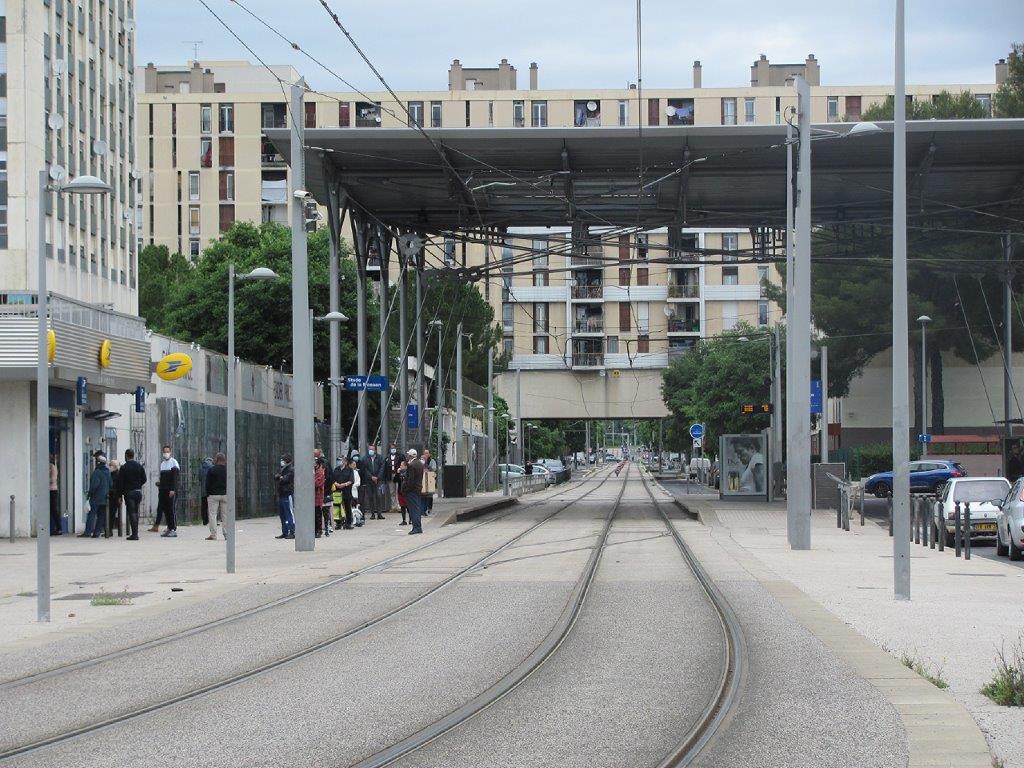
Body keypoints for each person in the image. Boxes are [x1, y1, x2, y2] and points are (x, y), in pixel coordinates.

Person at [119, 449, 147, 540]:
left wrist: (120, 495)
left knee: (132, 512)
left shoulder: (124, 467)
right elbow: (144, 479)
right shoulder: (139, 466)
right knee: (136, 511)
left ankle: (134, 534)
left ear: (126, 456)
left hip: (129, 492)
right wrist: (138, 485)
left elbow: (120, 483)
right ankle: (136, 532)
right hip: (138, 492)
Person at [82, 451, 111, 538]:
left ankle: (87, 532)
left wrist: (89, 494)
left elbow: (94, 485)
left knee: (92, 514)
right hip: (105, 497)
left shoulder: (97, 472)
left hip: (96, 497)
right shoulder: (108, 472)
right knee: (101, 516)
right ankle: (96, 532)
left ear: (98, 463)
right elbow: (110, 484)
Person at [153, 445, 180, 536]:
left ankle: (173, 529)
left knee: (171, 509)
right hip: (163, 490)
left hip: (170, 490)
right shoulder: (163, 464)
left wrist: (173, 489)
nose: (166, 453)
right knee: (165, 510)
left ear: (170, 452)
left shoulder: (174, 463)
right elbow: (163, 478)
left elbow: (175, 478)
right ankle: (169, 527)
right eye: (164, 451)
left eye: (167, 451)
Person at [401, 449, 425, 535]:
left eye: (408, 455)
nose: (407, 456)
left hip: (412, 491)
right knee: (417, 508)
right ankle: (418, 526)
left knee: (413, 509)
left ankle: (416, 527)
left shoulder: (411, 465)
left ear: (410, 456)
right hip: (418, 489)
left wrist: (406, 490)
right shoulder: (420, 464)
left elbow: (410, 480)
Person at [205, 452, 227, 540]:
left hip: (213, 495)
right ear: (224, 460)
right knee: (225, 515)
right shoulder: (227, 470)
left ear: (216, 459)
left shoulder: (211, 470)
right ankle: (227, 534)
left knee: (212, 515)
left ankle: (213, 535)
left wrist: (208, 494)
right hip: (225, 494)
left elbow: (207, 483)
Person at [362, 443, 387, 520]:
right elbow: (364, 469)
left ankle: (379, 513)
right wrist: (371, 477)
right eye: (369, 449)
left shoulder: (380, 458)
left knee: (379, 496)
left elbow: (382, 469)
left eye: (372, 449)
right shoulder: (365, 458)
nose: (371, 451)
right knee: (370, 496)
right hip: (369, 480)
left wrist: (377, 477)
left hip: (378, 480)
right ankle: (372, 513)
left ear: (375, 450)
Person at [275, 454, 295, 539]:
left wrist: (281, 477)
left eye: (283, 460)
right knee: (282, 514)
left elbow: (285, 479)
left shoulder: (290, 469)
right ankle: (285, 531)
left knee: (289, 513)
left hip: (287, 494)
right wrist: (280, 477)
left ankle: (292, 531)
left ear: (287, 460)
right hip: (282, 493)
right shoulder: (283, 469)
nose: (281, 461)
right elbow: (277, 476)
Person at [333, 456, 355, 530]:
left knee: (347, 507)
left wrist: (344, 484)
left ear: (345, 462)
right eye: (338, 460)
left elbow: (351, 480)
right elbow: (332, 479)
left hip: (347, 491)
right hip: (337, 491)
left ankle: (348, 523)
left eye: (340, 460)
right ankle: (338, 523)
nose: (339, 462)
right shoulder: (336, 470)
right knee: (337, 507)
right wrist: (337, 484)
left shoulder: (349, 470)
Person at [106, 459, 122, 537]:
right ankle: (109, 529)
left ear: (115, 466)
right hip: (115, 496)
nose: (109, 467)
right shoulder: (114, 474)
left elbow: (114, 486)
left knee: (111, 514)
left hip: (114, 497)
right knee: (111, 514)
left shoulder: (115, 475)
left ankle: (109, 530)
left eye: (110, 465)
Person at [314, 450, 327, 538]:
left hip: (317, 497)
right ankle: (315, 530)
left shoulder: (320, 473)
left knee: (318, 514)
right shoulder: (315, 472)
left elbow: (317, 483)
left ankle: (319, 530)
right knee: (314, 515)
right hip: (313, 497)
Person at [386, 444, 402, 514]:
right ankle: (393, 506)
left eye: (394, 448)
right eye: (391, 448)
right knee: (392, 491)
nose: (393, 449)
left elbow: (403, 464)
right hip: (390, 475)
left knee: (398, 490)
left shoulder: (400, 456)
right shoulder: (387, 457)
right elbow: (385, 467)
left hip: (397, 475)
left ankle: (399, 506)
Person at [421, 449, 437, 516]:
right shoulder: (421, 461)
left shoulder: (432, 461)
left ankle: (429, 509)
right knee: (423, 496)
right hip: (423, 481)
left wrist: (428, 469)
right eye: (425, 453)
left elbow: (433, 469)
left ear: (429, 454)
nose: (426, 455)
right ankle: (423, 510)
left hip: (430, 481)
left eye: (427, 453)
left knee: (429, 496)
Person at [199, 456, 214, 527]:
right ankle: (212, 521)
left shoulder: (201, 468)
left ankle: (205, 521)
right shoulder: (212, 467)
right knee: (212, 507)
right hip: (211, 490)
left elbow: (199, 478)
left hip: (203, 490)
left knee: (204, 506)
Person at [49, 455, 61, 535]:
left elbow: (53, 479)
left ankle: (59, 528)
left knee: (53, 510)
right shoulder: (50, 466)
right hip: (50, 490)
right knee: (51, 510)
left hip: (52, 490)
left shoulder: (52, 466)